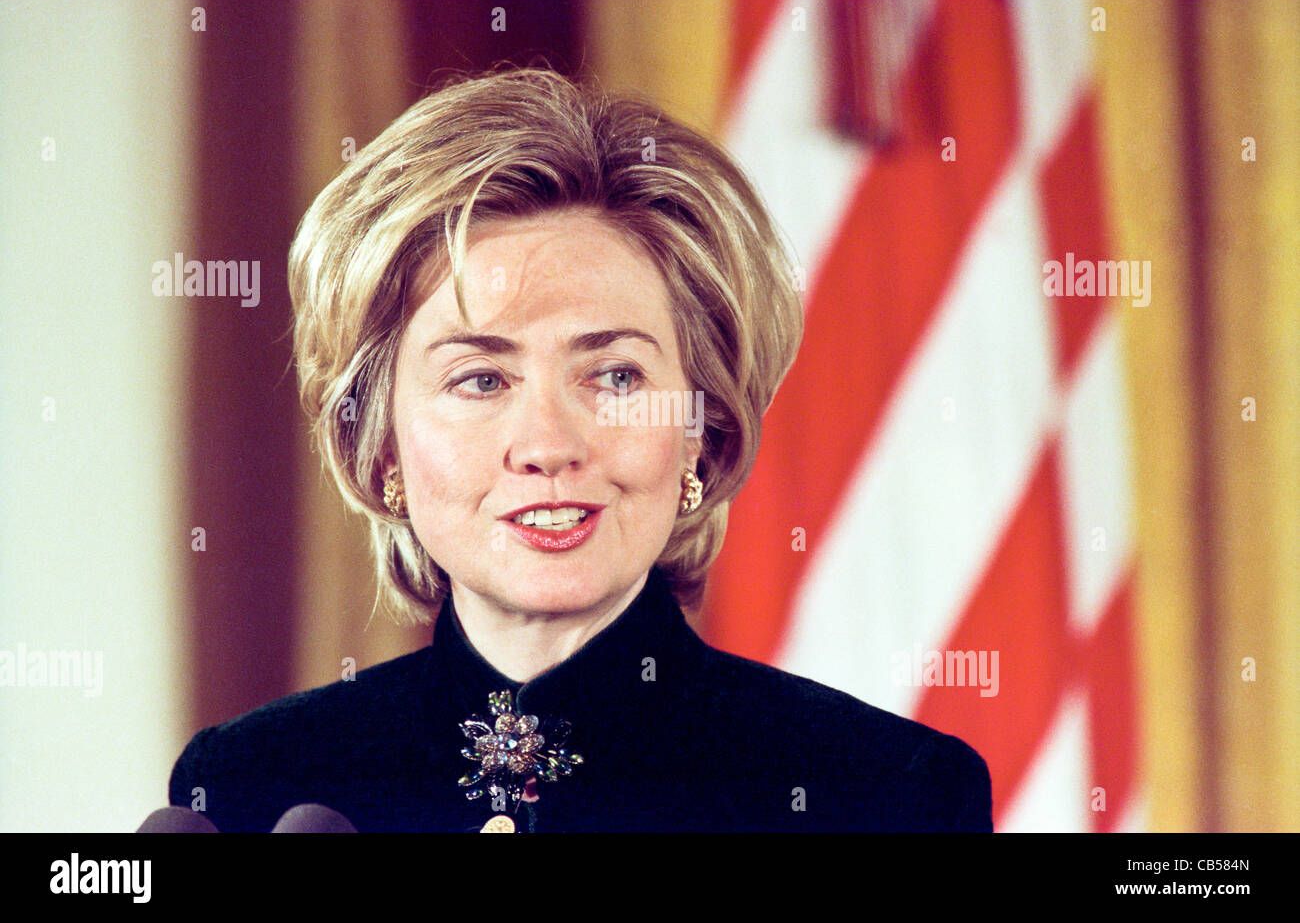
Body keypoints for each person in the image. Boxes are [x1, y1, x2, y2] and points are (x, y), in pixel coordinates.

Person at [167, 67, 992, 833]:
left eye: (615, 376)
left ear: (699, 436)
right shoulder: (252, 783)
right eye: (481, 381)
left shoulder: (886, 792)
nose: (549, 445)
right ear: (380, 443)